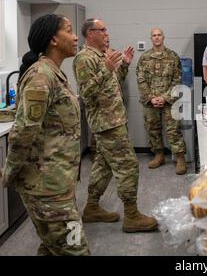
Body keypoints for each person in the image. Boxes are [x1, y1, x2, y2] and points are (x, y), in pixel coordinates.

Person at [0, 14, 90, 255]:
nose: (74, 37)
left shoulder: (53, 73)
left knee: (52, 248)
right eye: (69, 30)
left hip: (58, 183)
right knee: (75, 248)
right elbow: (22, 132)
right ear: (53, 39)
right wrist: (9, 173)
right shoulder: (41, 75)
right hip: (46, 186)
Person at [73, 18, 157, 232]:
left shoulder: (101, 56)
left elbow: (112, 82)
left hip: (114, 120)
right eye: (103, 30)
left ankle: (91, 207)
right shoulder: (84, 58)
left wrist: (124, 65)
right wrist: (106, 69)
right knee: (128, 166)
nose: (107, 33)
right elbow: (86, 94)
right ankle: (132, 216)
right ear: (90, 33)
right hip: (106, 123)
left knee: (104, 166)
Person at [136, 28, 187, 175]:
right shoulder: (144, 57)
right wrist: (151, 98)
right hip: (149, 101)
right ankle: (159, 155)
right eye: (154, 35)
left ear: (163, 37)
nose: (157, 37)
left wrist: (164, 98)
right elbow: (141, 80)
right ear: (151, 38)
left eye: (159, 35)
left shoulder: (173, 57)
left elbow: (176, 80)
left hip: (169, 100)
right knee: (152, 129)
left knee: (174, 130)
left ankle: (180, 158)